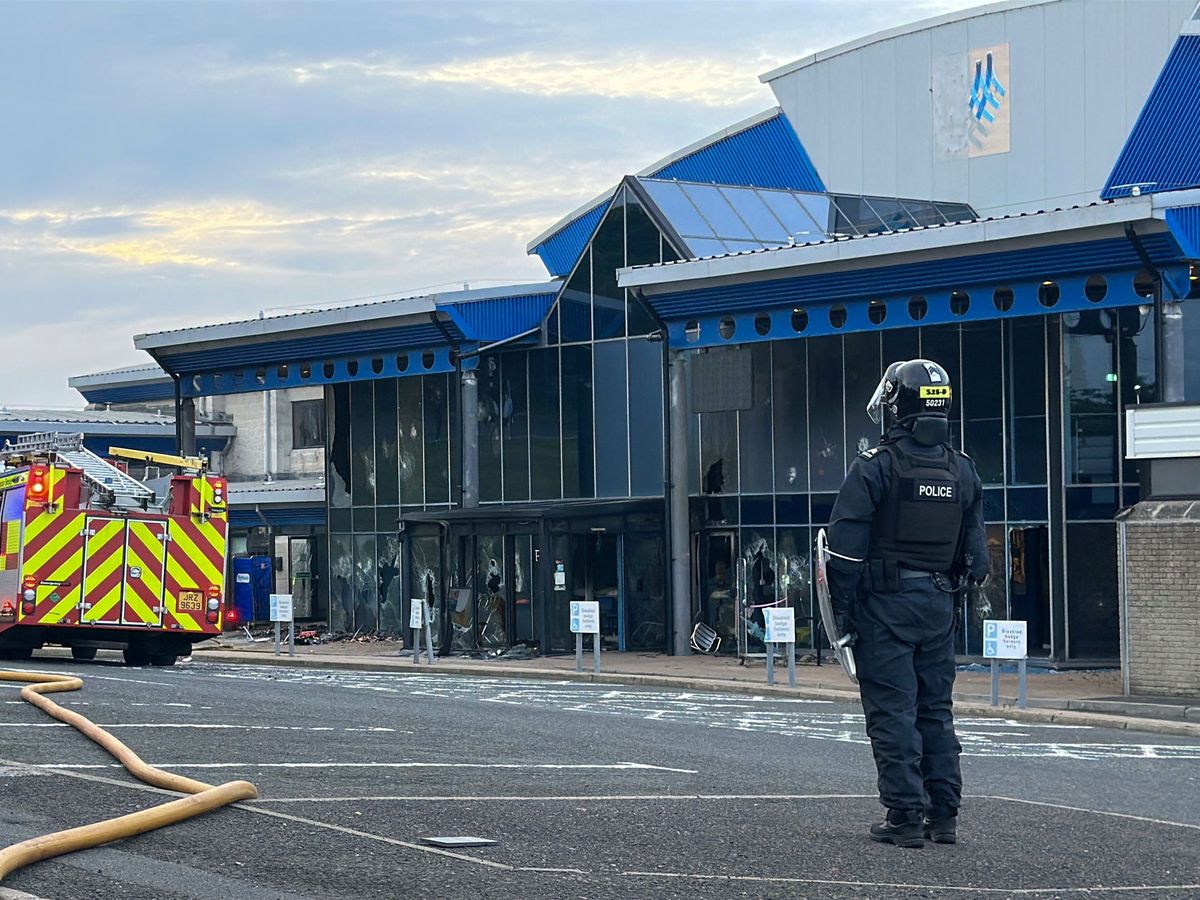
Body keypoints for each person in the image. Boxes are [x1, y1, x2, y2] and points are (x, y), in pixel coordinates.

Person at [827, 359, 988, 849]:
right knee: (935, 710)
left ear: (897, 405)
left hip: (885, 607)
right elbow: (977, 560)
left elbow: (843, 553)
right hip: (939, 608)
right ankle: (944, 814)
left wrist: (843, 612)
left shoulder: (875, 466)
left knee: (893, 711)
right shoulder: (962, 469)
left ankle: (905, 815)